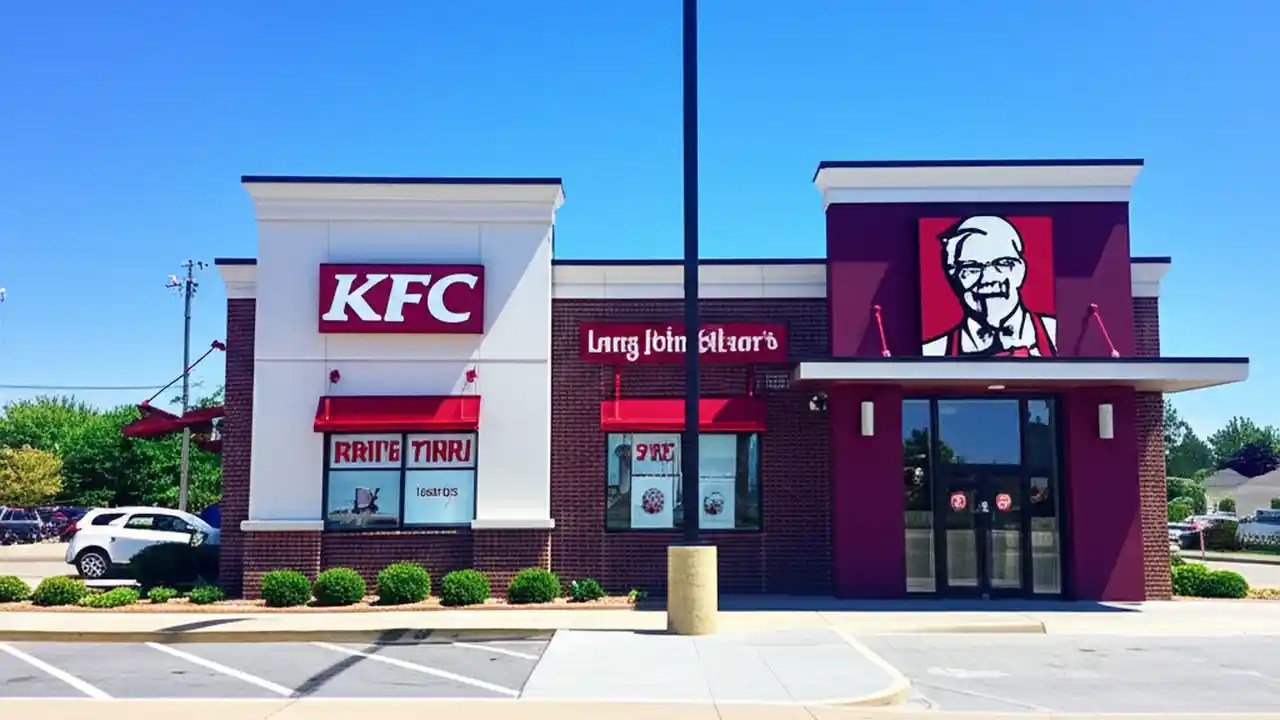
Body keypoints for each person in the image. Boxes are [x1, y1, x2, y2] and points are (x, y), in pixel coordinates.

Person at [922, 215, 1057, 357]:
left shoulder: (1059, 336)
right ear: (953, 276)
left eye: (1002, 263)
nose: (988, 278)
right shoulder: (932, 354)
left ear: (1020, 270)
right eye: (972, 268)